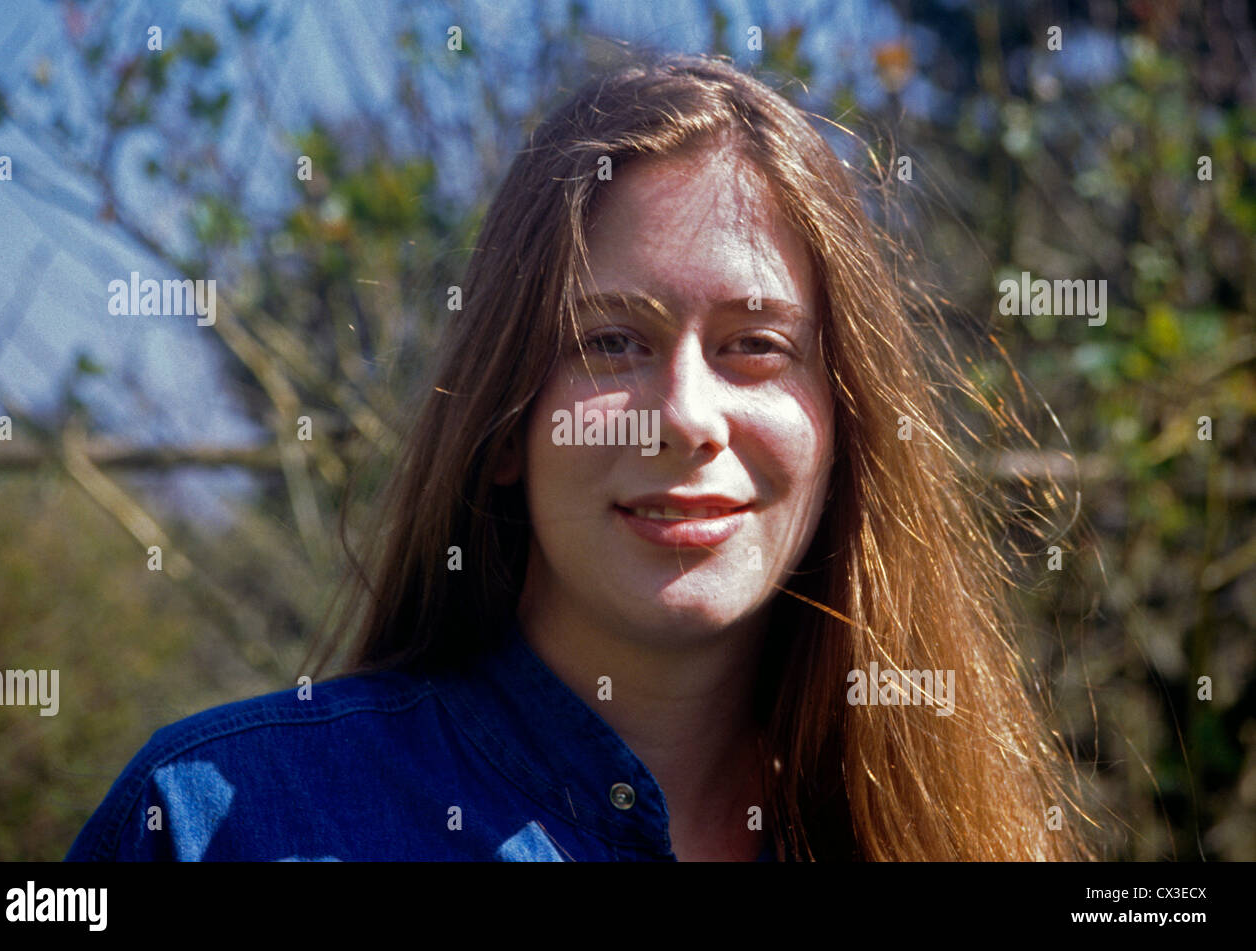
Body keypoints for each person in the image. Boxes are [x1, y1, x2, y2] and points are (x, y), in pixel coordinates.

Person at [66, 52, 1092, 862]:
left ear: (843, 424)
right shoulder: (209, 827)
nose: (687, 417)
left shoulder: (949, 826)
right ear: (506, 423)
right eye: (610, 343)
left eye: (755, 346)